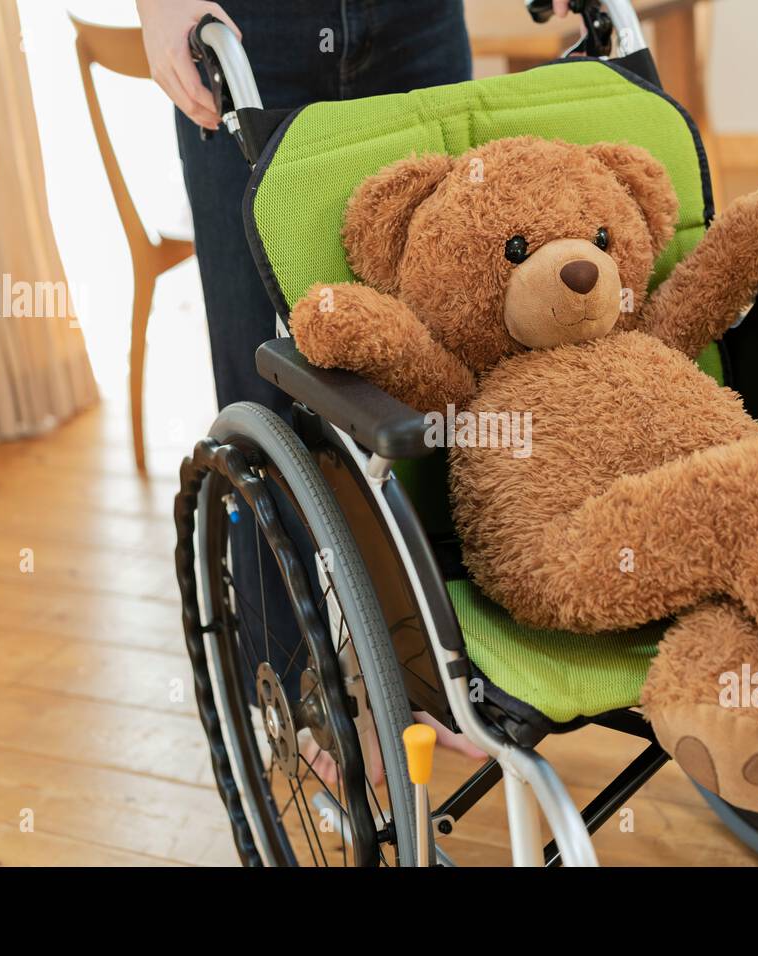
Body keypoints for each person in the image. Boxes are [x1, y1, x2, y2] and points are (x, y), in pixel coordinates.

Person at [134, 0, 574, 778]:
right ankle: (293, 684)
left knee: (441, 349)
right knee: (264, 374)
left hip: (416, 22)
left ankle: (424, 669)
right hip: (243, 31)